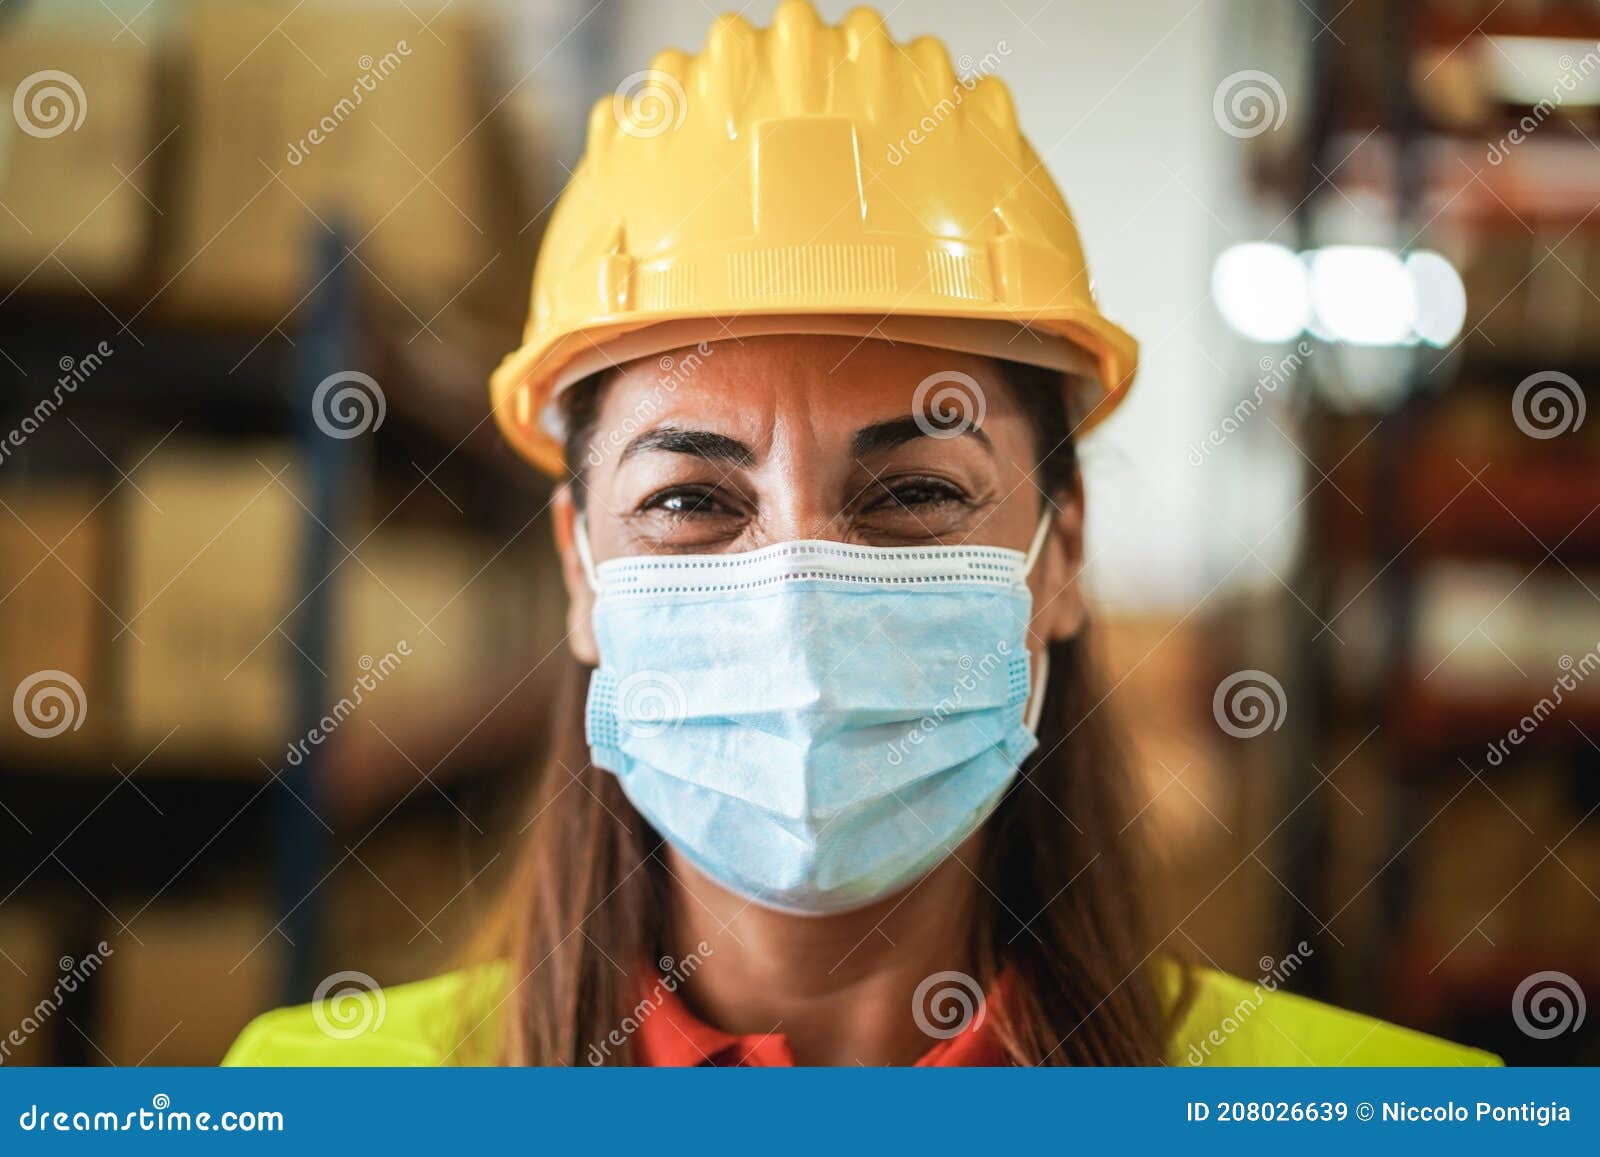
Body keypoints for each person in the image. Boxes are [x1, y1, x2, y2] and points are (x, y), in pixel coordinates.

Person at [226, 1, 1494, 1068]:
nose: (797, 606)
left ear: (1058, 555)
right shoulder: (315, 1093)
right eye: (692, 502)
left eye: (911, 495)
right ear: (580, 569)